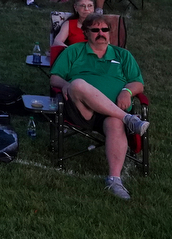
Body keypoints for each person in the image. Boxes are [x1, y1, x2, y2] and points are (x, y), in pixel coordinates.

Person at [49, 12, 149, 200]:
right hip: (82, 110)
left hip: (112, 113)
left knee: (114, 123)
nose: (101, 33)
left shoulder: (123, 55)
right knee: (78, 84)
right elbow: (54, 78)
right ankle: (128, 119)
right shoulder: (73, 51)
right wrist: (66, 85)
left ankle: (114, 180)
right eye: (95, 30)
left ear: (110, 33)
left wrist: (127, 92)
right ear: (86, 32)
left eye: (105, 29)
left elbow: (137, 83)